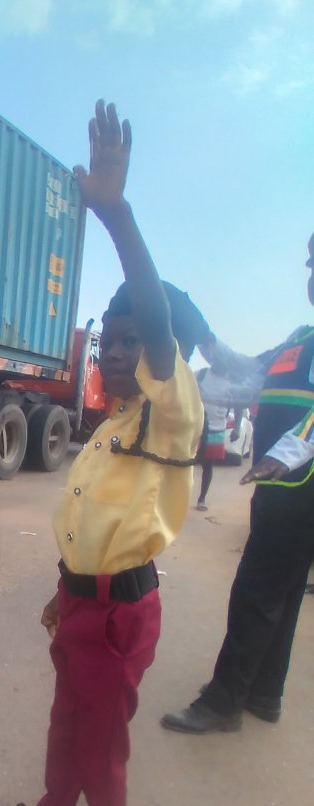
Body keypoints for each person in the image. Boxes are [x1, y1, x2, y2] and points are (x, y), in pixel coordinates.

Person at [0, 100, 206, 806]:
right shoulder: (114, 423)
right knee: (64, 726)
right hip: (84, 605)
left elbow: (155, 318)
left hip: (121, 618)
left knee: (100, 746)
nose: (114, 349)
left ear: (158, 352)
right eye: (105, 337)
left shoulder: (169, 408)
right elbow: (89, 524)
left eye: (129, 339)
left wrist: (116, 215)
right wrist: (63, 586)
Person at [162, 234, 314, 733]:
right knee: (284, 591)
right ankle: (265, 694)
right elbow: (247, 375)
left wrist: (283, 455)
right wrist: (202, 337)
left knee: (255, 592)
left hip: (300, 487)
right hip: (283, 490)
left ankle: (223, 704)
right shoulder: (300, 339)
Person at [194, 366, 245, 510]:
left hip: (217, 430)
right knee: (187, 462)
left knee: (208, 465)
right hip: (195, 427)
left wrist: (237, 427)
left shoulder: (233, 380)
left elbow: (239, 406)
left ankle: (202, 498)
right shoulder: (201, 374)